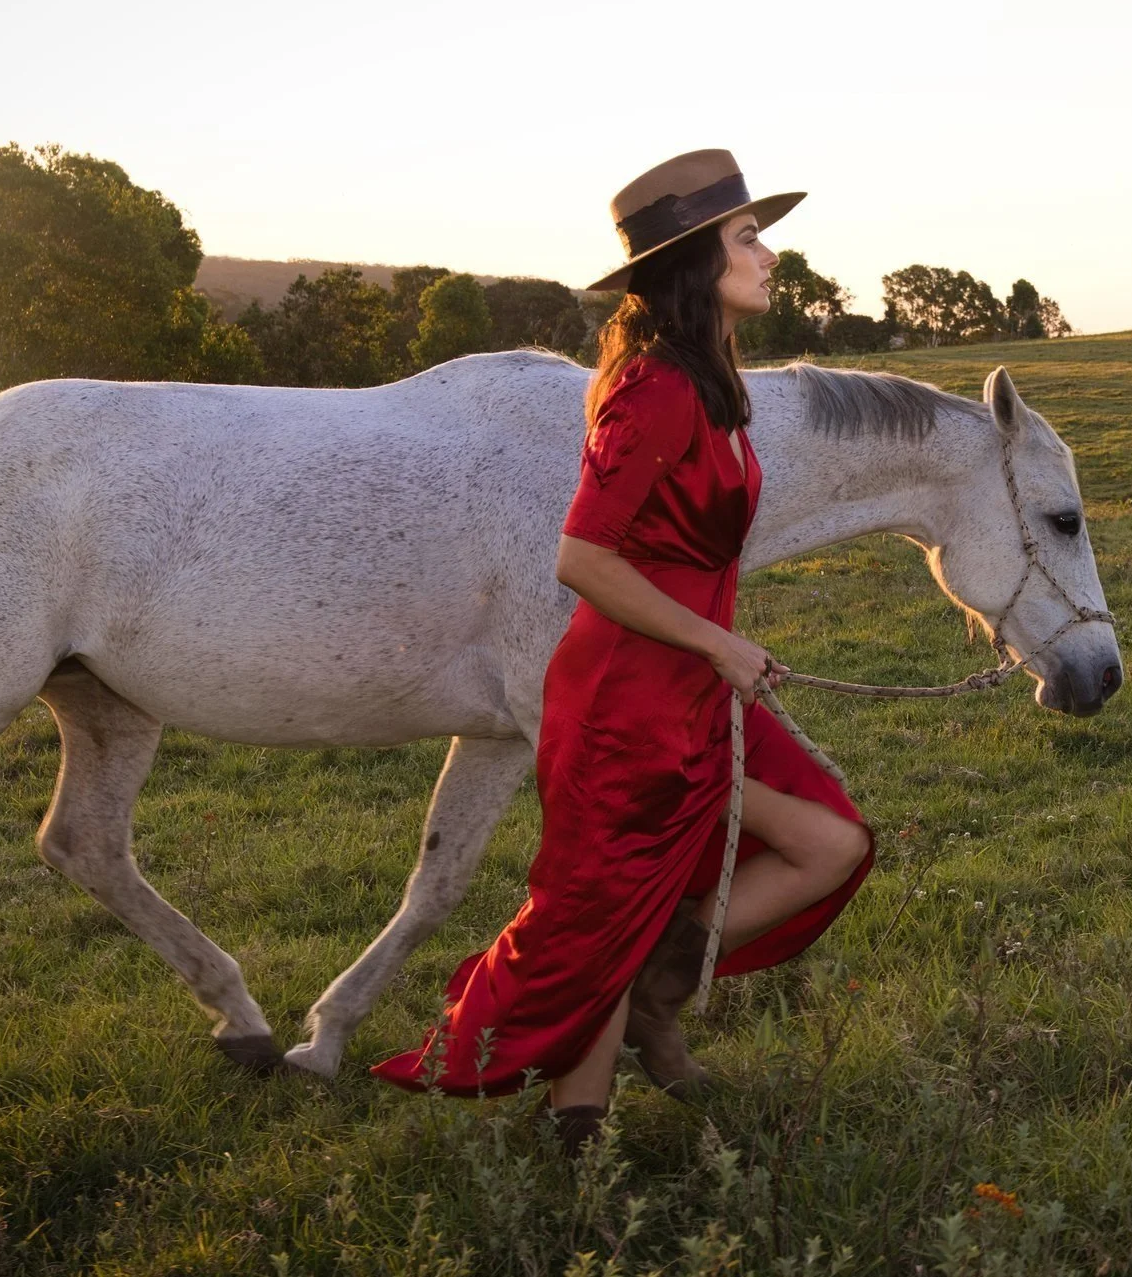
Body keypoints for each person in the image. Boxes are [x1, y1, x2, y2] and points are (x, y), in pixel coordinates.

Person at [371, 150, 873, 1156]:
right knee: (599, 920)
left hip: (689, 686)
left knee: (833, 841)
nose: (770, 254)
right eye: (747, 238)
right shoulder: (651, 391)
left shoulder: (711, 379)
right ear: (695, 263)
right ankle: (579, 1142)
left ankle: (655, 990)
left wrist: (713, 650)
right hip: (627, 703)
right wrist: (714, 641)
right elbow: (581, 557)